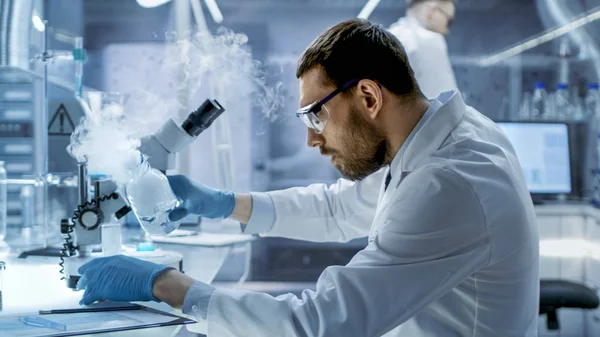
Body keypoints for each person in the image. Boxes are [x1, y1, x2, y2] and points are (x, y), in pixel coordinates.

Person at [76, 19, 539, 337]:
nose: (312, 141)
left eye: (317, 116)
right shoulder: (441, 137)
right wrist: (222, 202)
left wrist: (164, 285)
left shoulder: (447, 183)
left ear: (369, 97)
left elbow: (318, 326)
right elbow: (338, 209)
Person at [388, 0, 458, 98]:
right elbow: (446, 102)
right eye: (449, 21)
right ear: (432, 11)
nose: (447, 30)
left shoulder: (389, 34)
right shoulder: (429, 40)